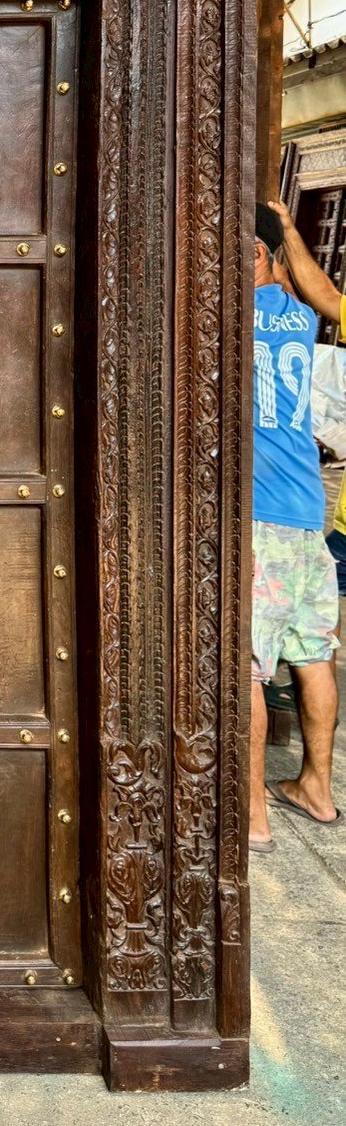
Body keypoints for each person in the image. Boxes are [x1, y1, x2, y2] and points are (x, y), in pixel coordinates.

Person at [249, 204, 342, 852]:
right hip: (308, 511)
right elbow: (322, 290)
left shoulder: (222, 317)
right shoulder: (304, 316)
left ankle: (250, 813)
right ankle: (317, 788)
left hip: (259, 519)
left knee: (244, 667)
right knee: (312, 655)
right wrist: (284, 234)